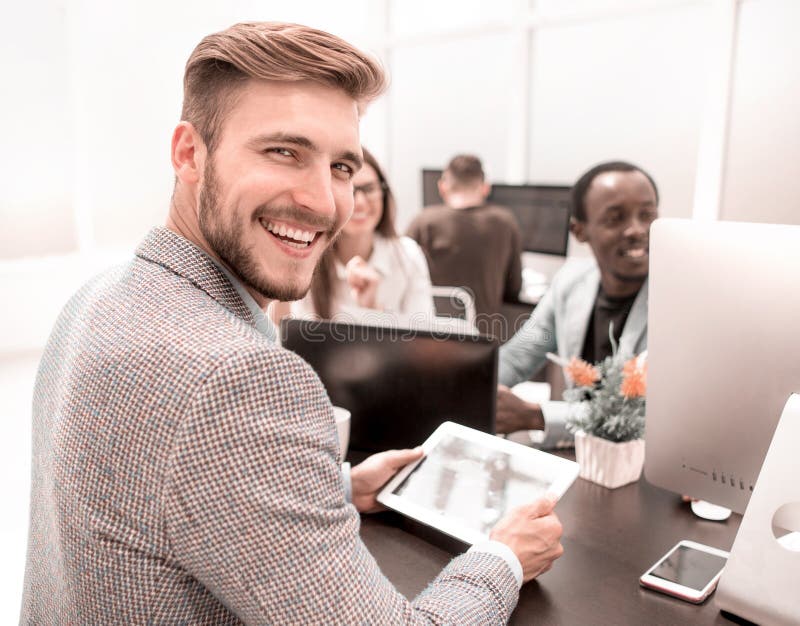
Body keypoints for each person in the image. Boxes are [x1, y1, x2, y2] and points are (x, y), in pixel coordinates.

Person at [21, 22, 563, 623]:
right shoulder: (239, 378)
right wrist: (501, 558)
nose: (324, 202)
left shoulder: (98, 297)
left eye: (341, 168)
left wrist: (342, 488)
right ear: (189, 154)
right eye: (284, 152)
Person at [496, 161, 658, 448]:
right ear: (579, 231)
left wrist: (539, 416)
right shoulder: (571, 281)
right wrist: (478, 385)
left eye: (647, 215)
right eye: (615, 218)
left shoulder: (679, 301)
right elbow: (518, 356)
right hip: (581, 456)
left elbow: (648, 415)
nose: (636, 230)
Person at [291, 147, 434, 320]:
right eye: (350, 191)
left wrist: (373, 309)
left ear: (384, 193)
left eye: (369, 189)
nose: (359, 202)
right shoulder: (307, 254)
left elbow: (423, 335)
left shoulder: (407, 255)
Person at [406, 154, 522, 322]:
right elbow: (514, 288)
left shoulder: (423, 222)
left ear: (442, 187)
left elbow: (401, 279)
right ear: (485, 188)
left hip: (432, 334)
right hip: (483, 337)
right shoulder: (505, 222)